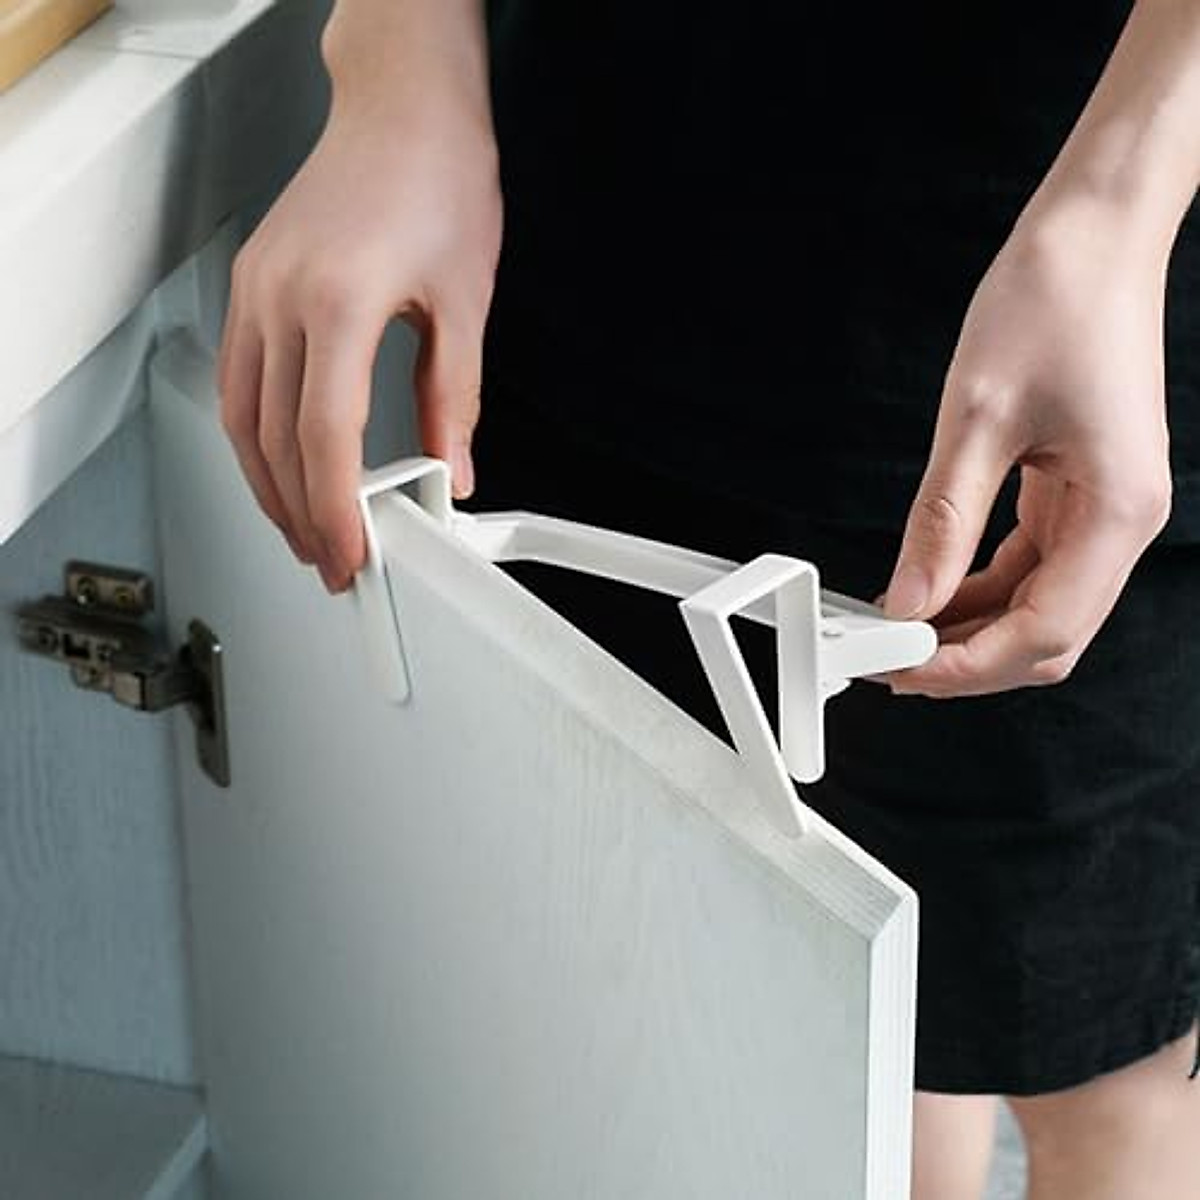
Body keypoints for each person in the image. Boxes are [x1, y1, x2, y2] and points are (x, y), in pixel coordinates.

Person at [216, 1, 1200, 1196]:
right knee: (786, 1030)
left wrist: (1121, 200)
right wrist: (397, 56)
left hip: (1077, 284)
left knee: (1099, 1065)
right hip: (605, 217)